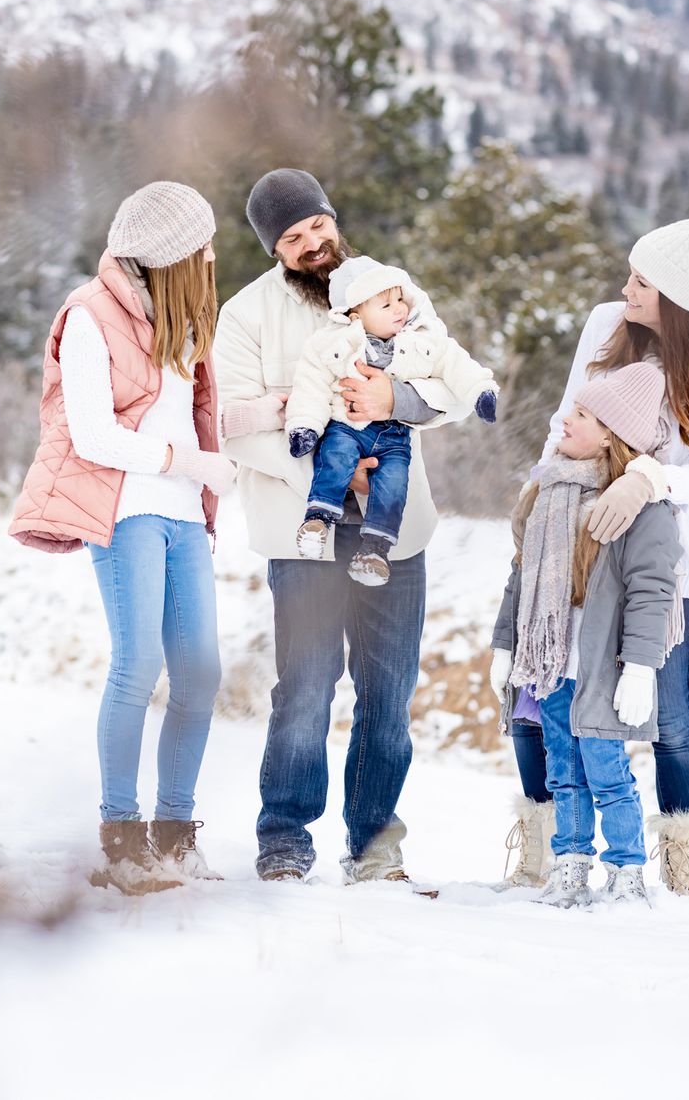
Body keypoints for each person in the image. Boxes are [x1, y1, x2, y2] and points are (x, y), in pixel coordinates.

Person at [214, 168, 472, 888]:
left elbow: (450, 386)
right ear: (274, 249)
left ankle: (373, 845)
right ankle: (285, 838)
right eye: (292, 237)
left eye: (316, 225)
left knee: (387, 697)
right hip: (305, 533)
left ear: (333, 216)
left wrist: (398, 395)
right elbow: (233, 428)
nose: (311, 243)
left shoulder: (392, 290)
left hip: (396, 530)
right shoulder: (245, 315)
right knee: (305, 686)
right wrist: (333, 471)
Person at [492, 218, 689, 902]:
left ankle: (682, 877)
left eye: (640, 280)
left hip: (661, 563)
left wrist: (646, 478)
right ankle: (552, 854)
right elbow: (565, 423)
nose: (625, 286)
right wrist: (540, 513)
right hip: (574, 550)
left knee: (669, 716)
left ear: (673, 294)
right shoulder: (609, 323)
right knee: (537, 700)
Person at [10, 182, 236, 895]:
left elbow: (187, 414)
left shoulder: (185, 321)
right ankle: (119, 835)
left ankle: (174, 832)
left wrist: (258, 425)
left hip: (181, 516)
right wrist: (187, 463)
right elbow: (93, 433)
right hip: (126, 509)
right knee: (138, 664)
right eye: (202, 243)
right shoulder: (87, 314)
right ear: (170, 254)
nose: (212, 252)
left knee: (200, 671)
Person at [491, 363, 679, 907]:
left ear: (609, 434)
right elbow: (521, 575)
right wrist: (505, 643)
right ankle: (570, 863)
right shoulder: (544, 492)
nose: (563, 419)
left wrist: (642, 665)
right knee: (564, 773)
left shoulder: (643, 509)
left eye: (580, 413)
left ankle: (627, 871)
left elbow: (652, 592)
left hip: (604, 669)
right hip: (550, 668)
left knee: (608, 774)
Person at [287, 255, 498, 585]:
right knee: (336, 458)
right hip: (347, 426)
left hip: (394, 436)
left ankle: (375, 549)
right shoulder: (332, 343)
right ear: (355, 315)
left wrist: (481, 390)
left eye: (400, 298)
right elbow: (310, 386)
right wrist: (305, 427)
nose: (399, 308)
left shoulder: (422, 339)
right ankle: (318, 518)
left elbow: (457, 364)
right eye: (386, 305)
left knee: (393, 485)